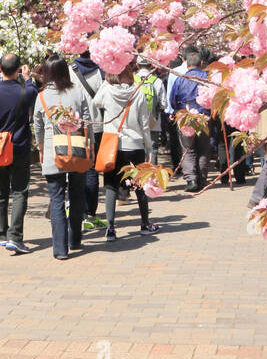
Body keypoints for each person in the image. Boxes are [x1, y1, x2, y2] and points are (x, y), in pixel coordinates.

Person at [34, 55, 91, 260]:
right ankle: (75, 239)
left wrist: (41, 146)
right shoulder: (77, 92)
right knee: (77, 197)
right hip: (76, 149)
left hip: (52, 153)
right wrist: (89, 145)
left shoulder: (41, 97)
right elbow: (87, 121)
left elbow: (38, 127)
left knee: (56, 199)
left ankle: (60, 249)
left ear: (47, 73)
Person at [93, 61, 159, 240]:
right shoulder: (137, 92)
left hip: (112, 146)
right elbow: (144, 123)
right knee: (139, 186)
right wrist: (149, 146)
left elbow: (95, 103)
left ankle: (111, 229)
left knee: (110, 187)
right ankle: (145, 223)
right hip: (135, 145)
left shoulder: (106, 90)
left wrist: (107, 83)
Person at [0, 53, 36, 254]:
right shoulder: (25, 91)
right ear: (19, 69)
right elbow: (32, 88)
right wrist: (28, 77)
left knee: (0, 191)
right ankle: (15, 236)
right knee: (20, 191)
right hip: (19, 147)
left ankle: (2, 233)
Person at [70, 50, 106, 228]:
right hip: (98, 125)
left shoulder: (70, 70)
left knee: (78, 169)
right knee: (92, 169)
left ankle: (78, 210)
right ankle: (90, 212)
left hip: (77, 126)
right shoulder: (101, 70)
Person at [169, 47, 211, 192]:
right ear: (201, 64)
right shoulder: (207, 78)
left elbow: (173, 99)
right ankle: (202, 178)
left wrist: (176, 111)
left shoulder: (181, 79)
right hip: (204, 115)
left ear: (187, 64)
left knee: (188, 148)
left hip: (185, 115)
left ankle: (191, 179)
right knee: (203, 148)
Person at [161, 55, 187, 175]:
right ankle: (184, 164)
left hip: (171, 111)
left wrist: (169, 111)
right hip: (182, 110)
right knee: (183, 139)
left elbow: (168, 96)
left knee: (174, 140)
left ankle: (177, 164)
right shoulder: (186, 75)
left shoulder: (167, 78)